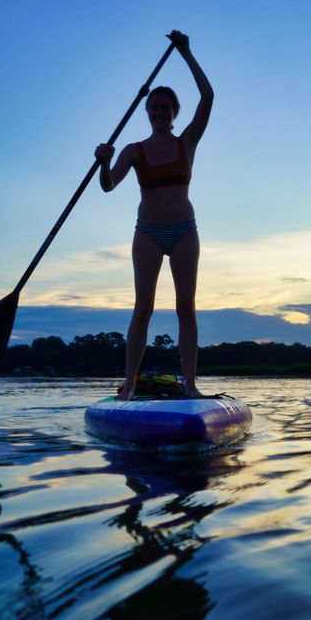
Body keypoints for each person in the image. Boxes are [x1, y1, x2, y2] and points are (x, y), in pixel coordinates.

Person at [95, 30, 213, 400]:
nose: (160, 112)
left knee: (186, 309)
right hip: (147, 232)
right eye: (154, 108)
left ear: (174, 113)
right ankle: (129, 385)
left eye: (166, 108)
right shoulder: (133, 149)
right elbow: (108, 185)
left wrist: (187, 53)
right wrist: (103, 161)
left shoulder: (187, 141)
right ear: (148, 113)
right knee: (142, 308)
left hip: (184, 231)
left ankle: (190, 385)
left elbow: (208, 97)